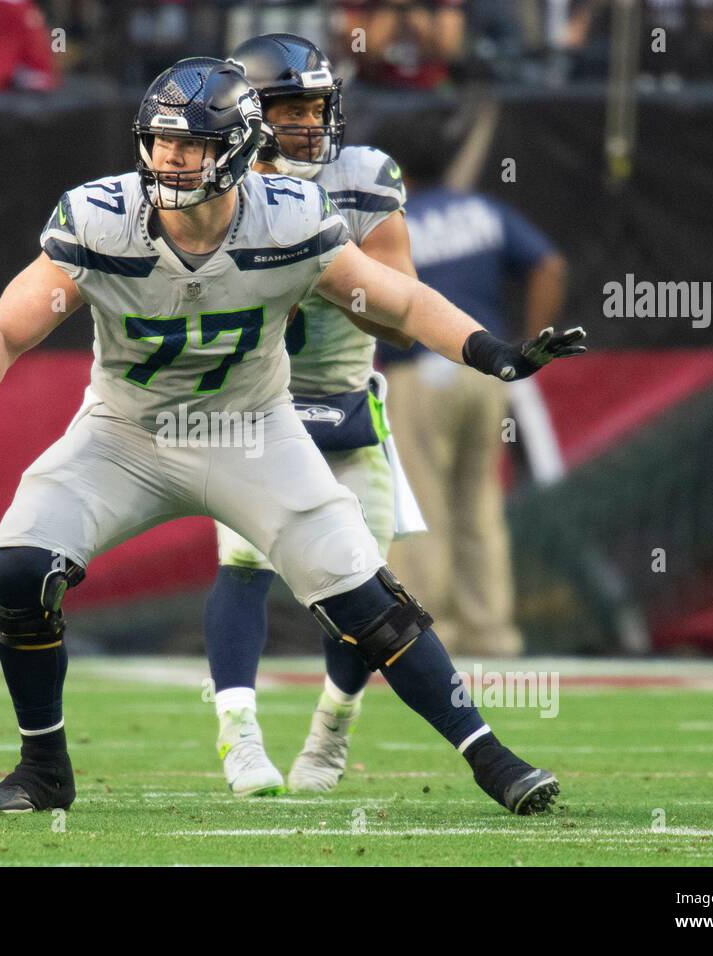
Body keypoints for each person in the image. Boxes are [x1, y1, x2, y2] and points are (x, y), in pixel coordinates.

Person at [0, 57, 584, 818]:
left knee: (368, 599)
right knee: (19, 571)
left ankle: (491, 758)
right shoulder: (101, 216)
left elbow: (401, 302)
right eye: (160, 141)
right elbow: (11, 320)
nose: (169, 159)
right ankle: (43, 769)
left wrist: (493, 353)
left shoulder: (288, 217)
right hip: (127, 434)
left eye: (190, 144)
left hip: (252, 432)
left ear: (235, 149)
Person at [201, 33, 423, 797]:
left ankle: (332, 730)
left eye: (315, 106)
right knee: (244, 561)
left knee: (365, 583)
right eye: (288, 108)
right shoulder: (210, 185)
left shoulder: (361, 179)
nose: (307, 123)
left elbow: (402, 318)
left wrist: (328, 262)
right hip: (254, 409)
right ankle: (238, 733)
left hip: (345, 407)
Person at [379, 131, 567, 657]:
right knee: (478, 502)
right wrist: (530, 345)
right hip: (486, 367)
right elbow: (549, 265)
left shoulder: (396, 223)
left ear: (400, 174)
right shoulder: (481, 210)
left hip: (421, 370)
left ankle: (427, 636)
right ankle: (490, 631)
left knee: (420, 501)